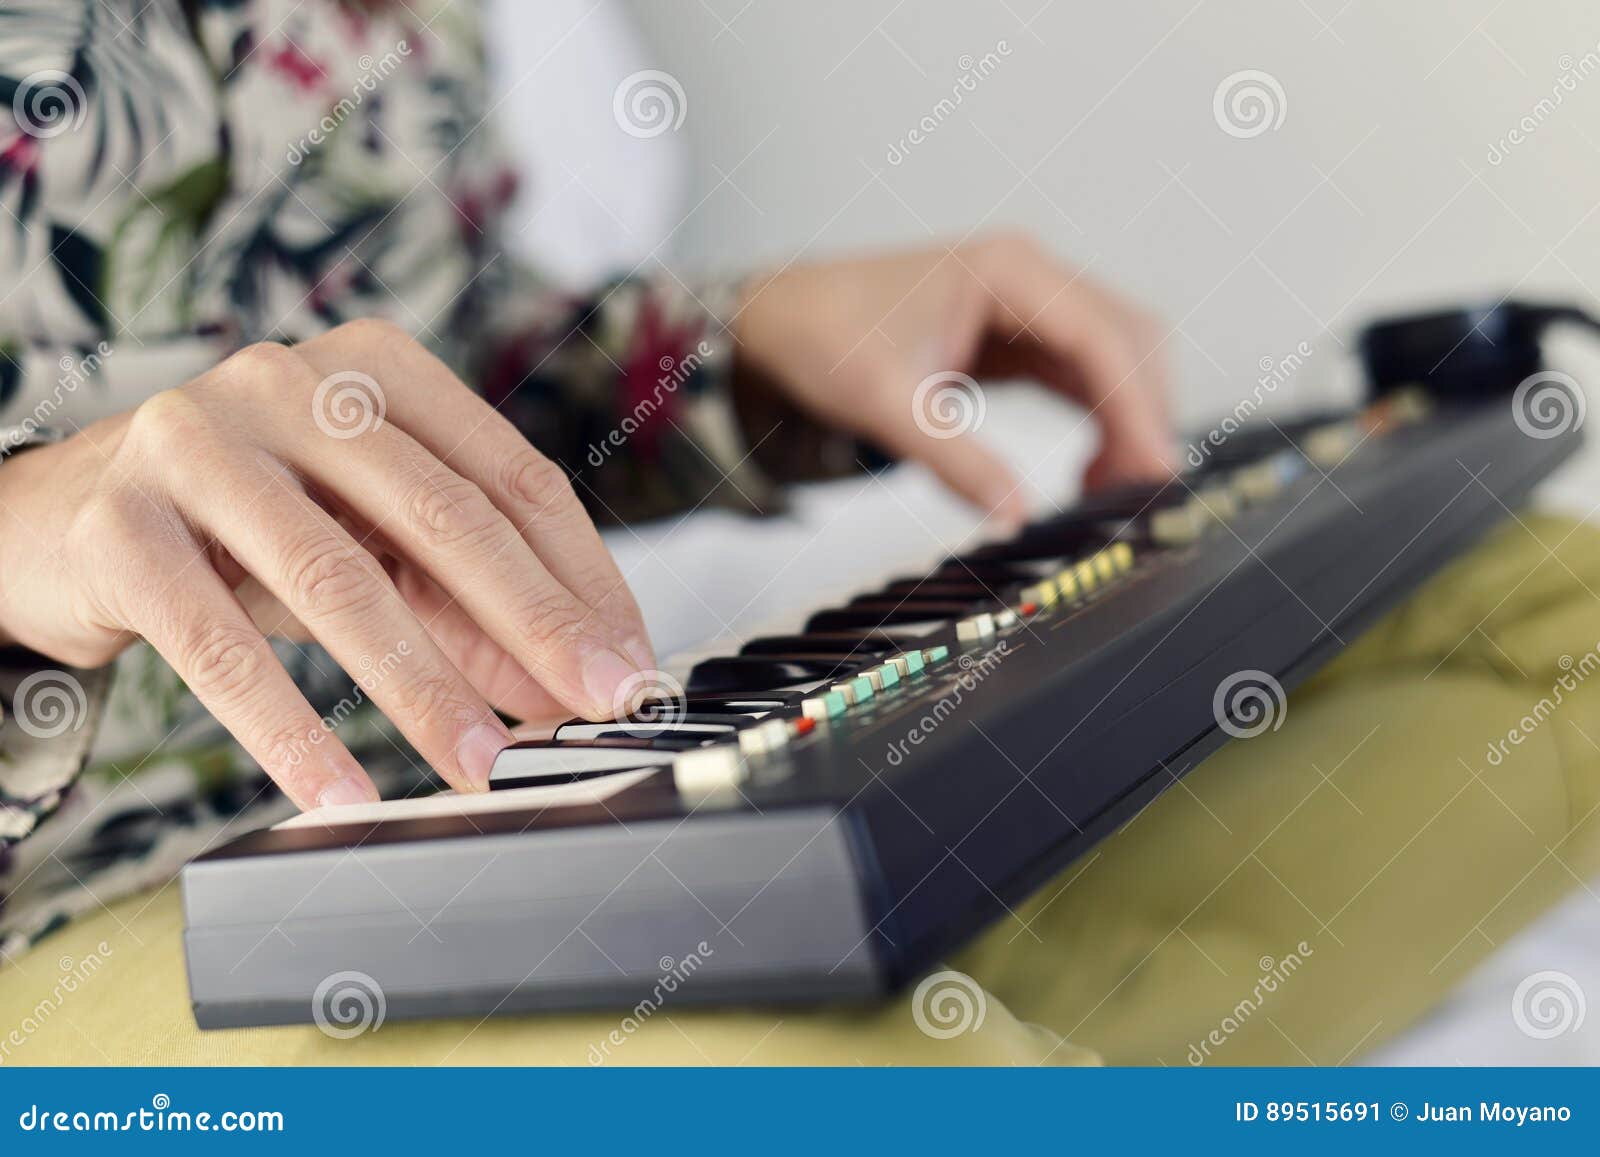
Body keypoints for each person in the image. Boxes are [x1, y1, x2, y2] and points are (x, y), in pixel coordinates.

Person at [1, 1, 1597, 1066]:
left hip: (494, 790)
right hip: (70, 917)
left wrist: (719, 354)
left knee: (1553, 613)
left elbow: (422, 360)